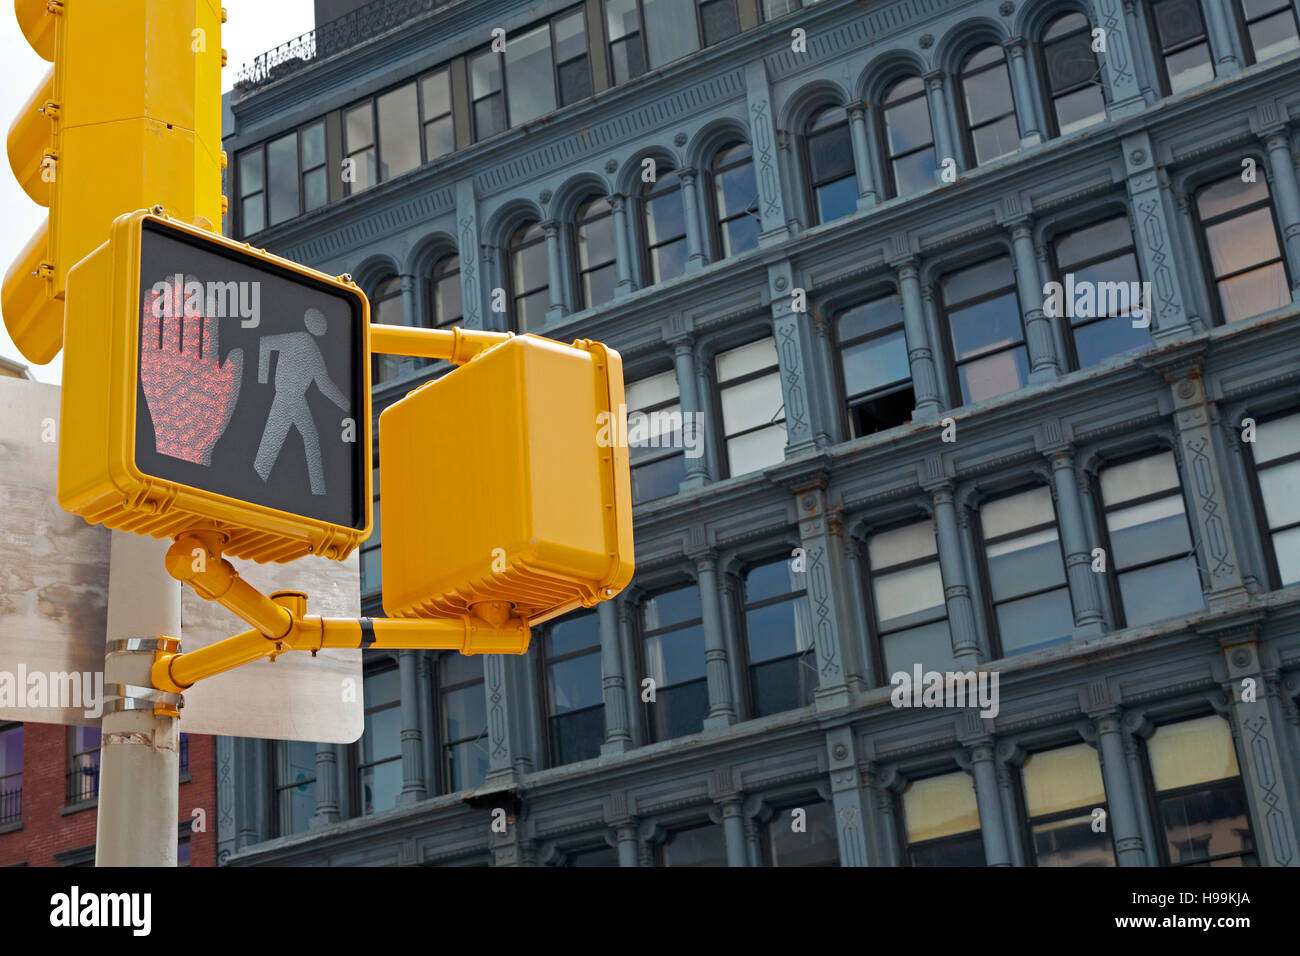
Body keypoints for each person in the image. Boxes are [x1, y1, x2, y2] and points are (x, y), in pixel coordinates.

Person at [253, 307, 348, 495]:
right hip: (287, 396)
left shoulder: (311, 347)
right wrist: (261, 380)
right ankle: (316, 491)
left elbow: (323, 384)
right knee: (281, 442)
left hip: (295, 398)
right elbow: (265, 343)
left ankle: (317, 491)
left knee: (302, 438)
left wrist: (347, 406)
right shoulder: (299, 339)